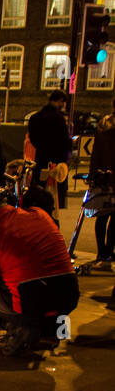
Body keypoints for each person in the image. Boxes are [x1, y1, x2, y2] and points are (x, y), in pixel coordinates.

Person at [0, 182, 80, 355]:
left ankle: (19, 327)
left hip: (32, 299)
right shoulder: (40, 215)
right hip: (68, 295)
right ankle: (50, 326)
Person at [27, 90, 73, 209]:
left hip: (41, 157)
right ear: (59, 101)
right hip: (56, 161)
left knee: (40, 188)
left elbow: (32, 138)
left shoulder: (36, 118)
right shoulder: (58, 119)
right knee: (54, 193)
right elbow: (64, 140)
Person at [89, 97, 115, 265]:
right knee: (114, 216)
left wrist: (93, 174)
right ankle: (108, 249)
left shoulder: (103, 124)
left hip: (102, 175)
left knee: (102, 213)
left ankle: (101, 251)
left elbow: (95, 152)